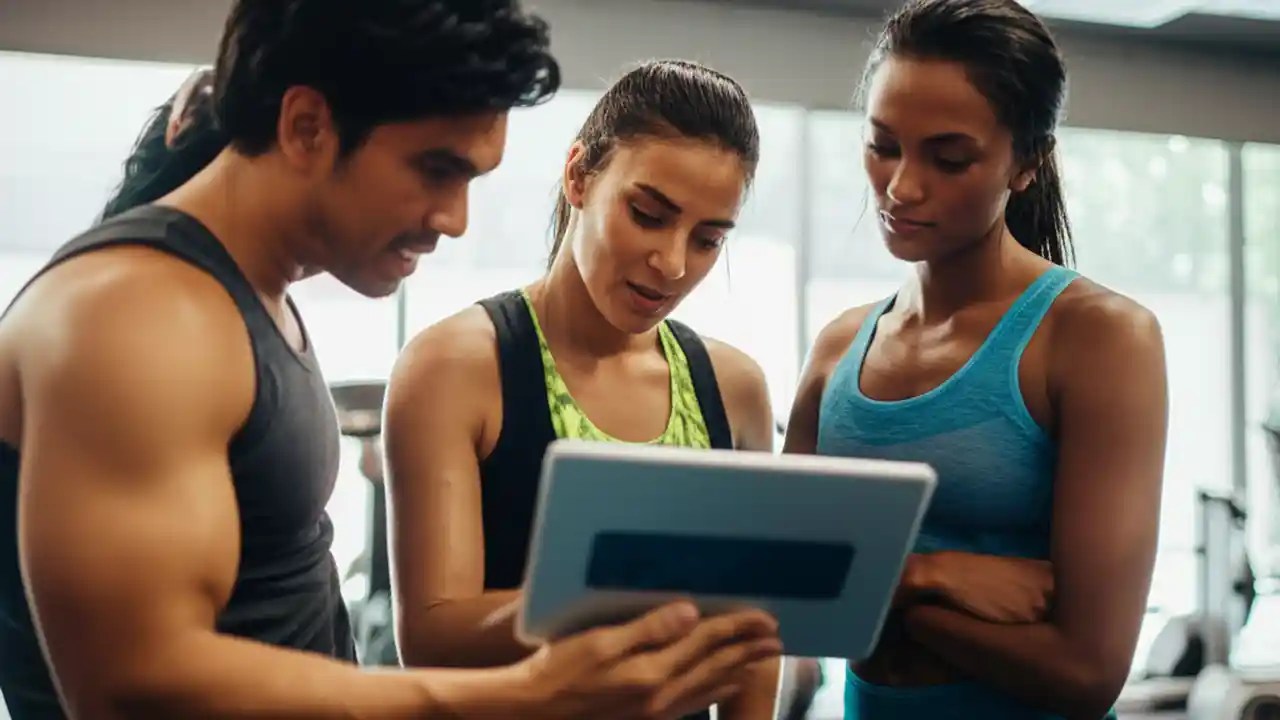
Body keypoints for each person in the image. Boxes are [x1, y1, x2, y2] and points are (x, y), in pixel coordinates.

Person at [0, 2, 782, 718]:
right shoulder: (142, 315)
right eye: (434, 169)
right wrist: (529, 687)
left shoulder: (241, 298)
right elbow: (133, 682)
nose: (454, 219)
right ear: (307, 127)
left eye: (471, 179)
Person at [784, 1, 1169, 718]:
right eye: (882, 145)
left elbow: (1088, 672)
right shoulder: (839, 348)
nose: (901, 187)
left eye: (949, 158)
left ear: (1027, 163)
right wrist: (929, 576)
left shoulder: (1099, 339)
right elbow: (782, 589)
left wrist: (888, 592)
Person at [382, 59, 782, 720]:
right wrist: (655, 597)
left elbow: (752, 639)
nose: (673, 264)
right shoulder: (455, 367)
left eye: (708, 239)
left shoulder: (733, 387)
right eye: (649, 215)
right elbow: (431, 635)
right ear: (578, 175)